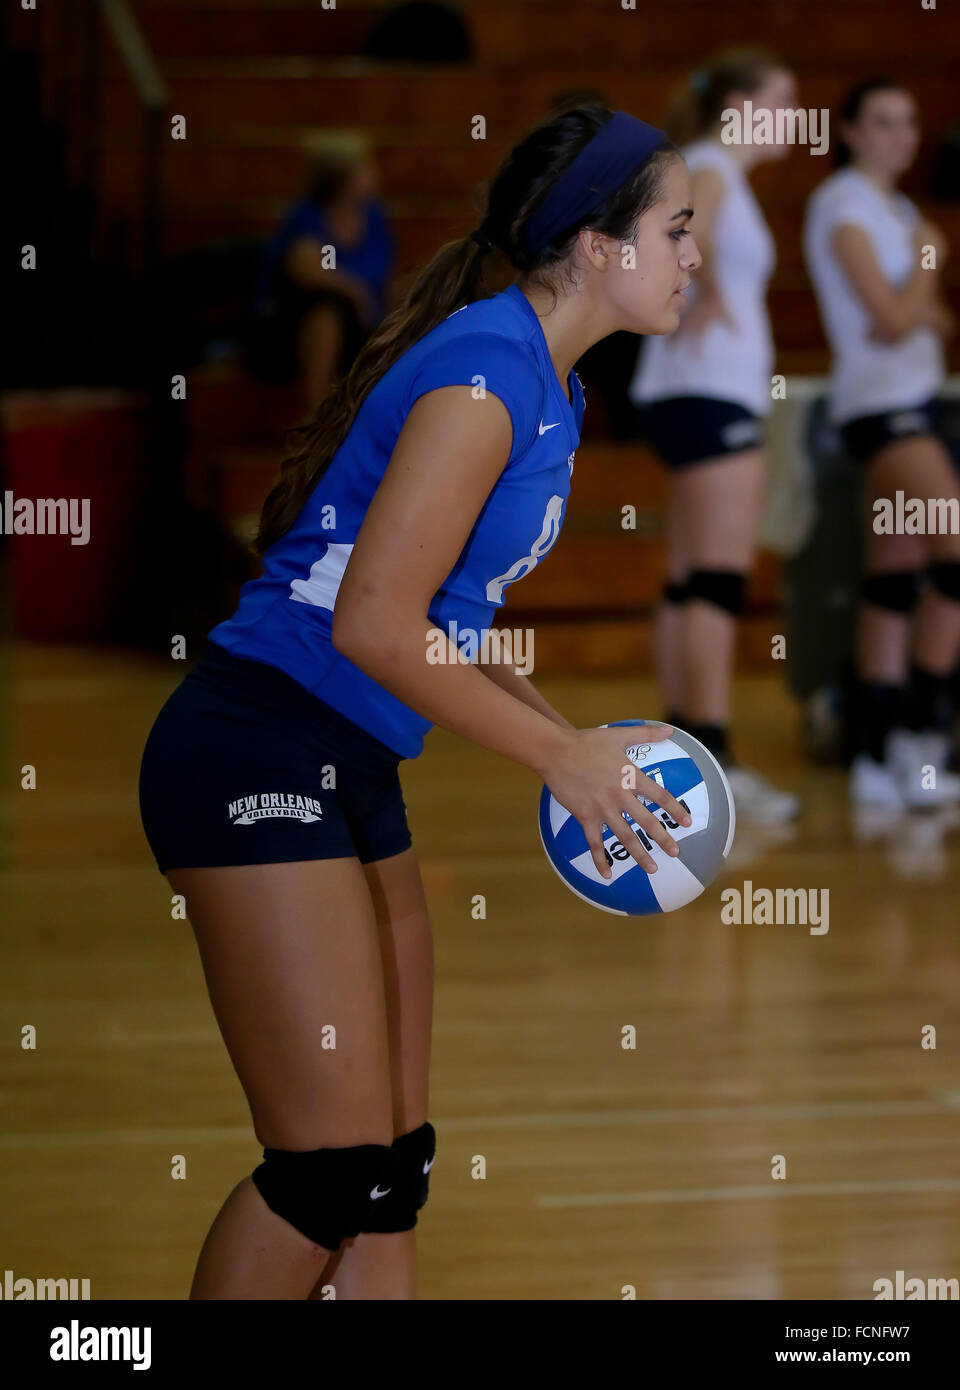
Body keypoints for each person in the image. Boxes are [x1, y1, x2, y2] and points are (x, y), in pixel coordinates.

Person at [138, 104, 701, 1300]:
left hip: (352, 758)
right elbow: (375, 625)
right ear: (600, 246)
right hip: (254, 743)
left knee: (393, 1167)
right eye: (679, 228)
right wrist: (558, 764)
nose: (695, 255)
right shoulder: (488, 373)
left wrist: (576, 740)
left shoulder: (554, 389)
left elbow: (447, 621)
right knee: (328, 1171)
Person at [629, 47, 801, 823]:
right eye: (782, 100)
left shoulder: (704, 167)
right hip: (709, 393)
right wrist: (696, 298)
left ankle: (683, 760)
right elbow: (670, 254)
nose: (795, 118)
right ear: (739, 102)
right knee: (718, 580)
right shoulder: (715, 172)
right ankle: (716, 764)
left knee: (688, 576)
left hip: (686, 394)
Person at [804, 79, 959, 810]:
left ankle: (874, 754)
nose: (902, 135)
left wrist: (922, 296)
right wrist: (931, 261)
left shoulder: (899, 213)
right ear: (852, 131)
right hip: (882, 407)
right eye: (885, 122)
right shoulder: (844, 205)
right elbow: (896, 320)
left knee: (895, 576)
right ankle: (921, 733)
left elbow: (937, 327)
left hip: (918, 400)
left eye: (911, 122)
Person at [245, 132, 394, 415]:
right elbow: (307, 269)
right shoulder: (307, 216)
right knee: (326, 312)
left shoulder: (373, 216)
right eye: (365, 168)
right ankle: (314, 419)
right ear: (340, 177)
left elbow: (383, 278)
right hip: (287, 327)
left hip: (360, 323)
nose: (373, 173)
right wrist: (354, 291)